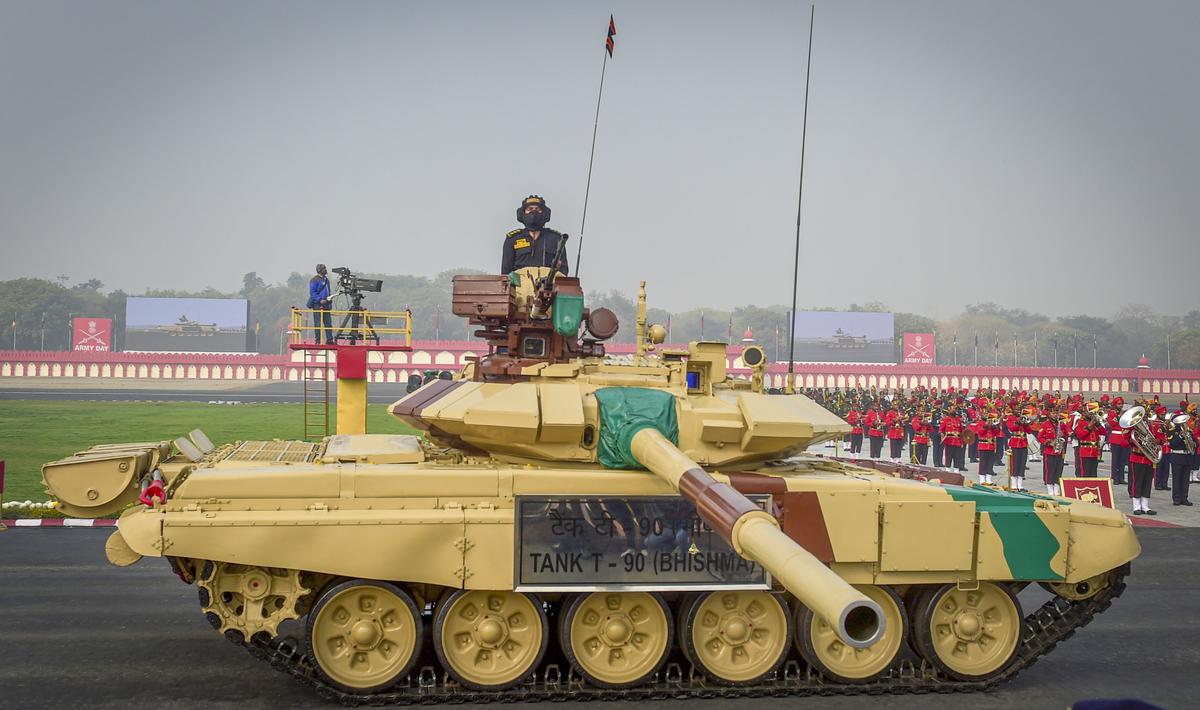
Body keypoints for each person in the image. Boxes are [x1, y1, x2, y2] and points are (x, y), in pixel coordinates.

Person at [501, 195, 570, 275]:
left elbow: (564, 271)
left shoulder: (556, 239)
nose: (534, 212)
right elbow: (506, 273)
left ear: (545, 214)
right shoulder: (512, 239)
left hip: (549, 285)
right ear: (522, 214)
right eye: (529, 209)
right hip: (520, 285)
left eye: (537, 209)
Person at [1128, 413, 1164, 515]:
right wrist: (1132, 441)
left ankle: (1145, 506)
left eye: (1144, 416)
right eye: (1141, 416)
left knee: (1148, 482)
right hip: (1137, 458)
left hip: (1149, 459)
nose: (1144, 418)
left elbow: (1161, 438)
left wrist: (1157, 441)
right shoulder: (1132, 428)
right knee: (1137, 482)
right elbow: (1124, 442)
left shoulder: (1152, 426)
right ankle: (1136, 507)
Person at [1038, 411, 1067, 496]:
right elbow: (1040, 437)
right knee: (1049, 470)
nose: (1055, 414)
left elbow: (1067, 433)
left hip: (1059, 451)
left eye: (1056, 413)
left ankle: (1057, 489)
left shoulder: (1061, 424)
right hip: (1049, 451)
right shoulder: (1045, 424)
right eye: (1053, 413)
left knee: (1059, 470)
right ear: (1049, 414)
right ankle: (1050, 489)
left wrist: (1063, 434)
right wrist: (1049, 442)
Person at [1074, 402, 1104, 477]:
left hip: (1095, 452)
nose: (1092, 414)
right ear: (1085, 413)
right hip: (1085, 452)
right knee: (1085, 474)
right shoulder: (1081, 422)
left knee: (1093, 474)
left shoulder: (1096, 422)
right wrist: (1089, 426)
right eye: (1090, 412)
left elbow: (1104, 432)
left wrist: (1098, 424)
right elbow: (1079, 435)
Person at [307, 264, 334, 345]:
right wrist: (320, 300)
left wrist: (329, 302)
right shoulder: (314, 280)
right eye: (324, 268)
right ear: (319, 270)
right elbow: (312, 293)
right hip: (317, 305)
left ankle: (329, 340)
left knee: (328, 323)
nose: (325, 270)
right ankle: (318, 341)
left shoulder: (326, 280)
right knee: (318, 323)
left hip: (326, 304)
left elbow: (328, 291)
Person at [1005, 408, 1032, 491]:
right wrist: (1018, 423)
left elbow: (1029, 431)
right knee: (1014, 463)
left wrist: (1026, 424)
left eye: (1019, 410)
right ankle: (1014, 485)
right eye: (1016, 409)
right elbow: (1011, 428)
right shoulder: (1010, 418)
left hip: (1023, 443)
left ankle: (1020, 485)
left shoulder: (1023, 418)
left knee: (1022, 464)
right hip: (1015, 443)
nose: (1018, 411)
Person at [1107, 397, 1130, 486]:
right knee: (1115, 460)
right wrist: (1119, 415)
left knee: (1123, 460)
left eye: (1121, 404)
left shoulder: (1125, 414)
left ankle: (1121, 477)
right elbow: (1112, 424)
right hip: (1116, 438)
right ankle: (1115, 477)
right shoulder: (1112, 413)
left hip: (1124, 438)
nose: (1120, 405)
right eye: (1118, 404)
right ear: (1115, 405)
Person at [940, 405, 966, 472]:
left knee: (957, 457)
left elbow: (962, 431)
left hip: (957, 441)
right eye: (951, 409)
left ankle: (956, 471)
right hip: (949, 441)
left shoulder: (958, 420)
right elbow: (941, 430)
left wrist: (962, 441)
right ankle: (948, 471)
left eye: (954, 409)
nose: (953, 410)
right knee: (948, 456)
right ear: (949, 411)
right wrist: (942, 437)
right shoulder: (945, 419)